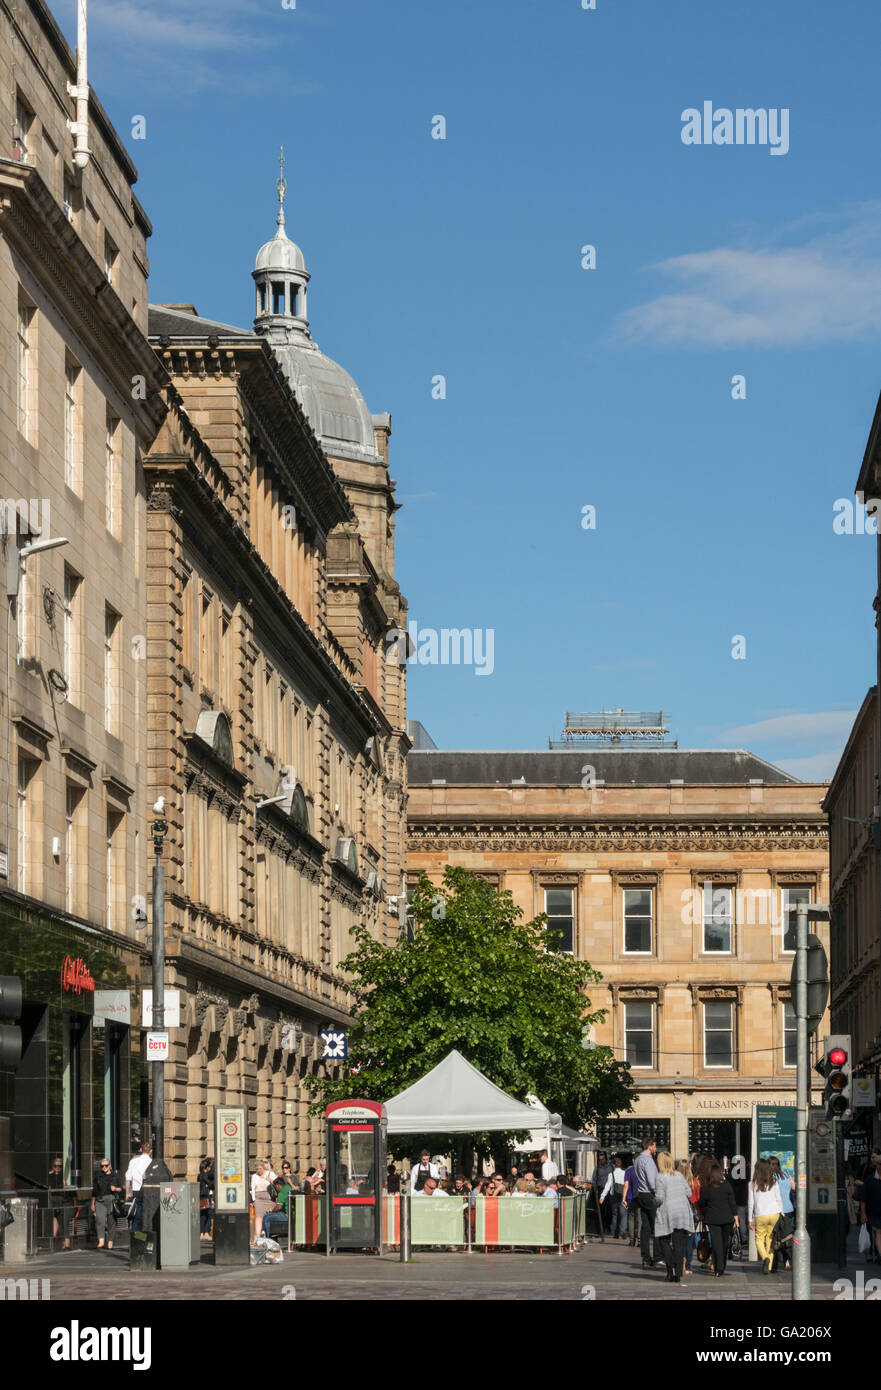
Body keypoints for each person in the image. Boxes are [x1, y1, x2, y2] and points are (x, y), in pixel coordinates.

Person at [654, 1151, 694, 1283]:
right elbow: (688, 1192)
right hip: (682, 1211)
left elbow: (659, 1198)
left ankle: (670, 1270)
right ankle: (678, 1273)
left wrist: (653, 1201)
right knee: (679, 1243)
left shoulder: (660, 1177)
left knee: (663, 1239)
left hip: (668, 1211)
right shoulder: (679, 1175)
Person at [700, 1159, 739, 1278]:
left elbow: (701, 1203)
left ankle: (718, 1267)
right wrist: (736, 1219)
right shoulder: (727, 1186)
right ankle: (722, 1266)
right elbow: (732, 1203)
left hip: (713, 1219)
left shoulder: (707, 1188)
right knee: (724, 1243)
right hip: (727, 1219)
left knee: (717, 1244)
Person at [748, 1157, 784, 1274]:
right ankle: (768, 1268)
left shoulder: (752, 1184)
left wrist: (750, 1218)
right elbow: (778, 1199)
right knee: (770, 1239)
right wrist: (782, 1214)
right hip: (774, 1214)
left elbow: (751, 1202)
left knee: (759, 1239)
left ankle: (765, 1258)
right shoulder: (774, 1181)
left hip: (760, 1214)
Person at [634, 1136, 659, 1268]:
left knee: (645, 1227)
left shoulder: (637, 1159)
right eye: (654, 1146)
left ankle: (645, 1256)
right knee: (657, 1226)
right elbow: (652, 1181)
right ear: (650, 1146)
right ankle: (657, 1256)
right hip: (649, 1194)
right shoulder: (648, 1161)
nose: (655, 1148)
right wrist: (657, 1191)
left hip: (641, 1194)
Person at [768, 1156, 794, 1270]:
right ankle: (787, 1259)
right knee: (787, 1234)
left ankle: (775, 1261)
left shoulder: (770, 1177)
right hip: (789, 1209)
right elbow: (794, 1187)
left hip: (777, 1210)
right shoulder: (786, 1175)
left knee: (776, 1237)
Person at [92, 1157, 123, 1250]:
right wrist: (92, 1203)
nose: (104, 1168)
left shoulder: (115, 1175)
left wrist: (115, 1189)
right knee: (99, 1220)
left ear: (109, 1166)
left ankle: (110, 1242)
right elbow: (94, 1191)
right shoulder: (97, 1175)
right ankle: (101, 1241)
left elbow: (121, 1189)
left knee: (111, 1222)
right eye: (102, 1166)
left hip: (111, 1200)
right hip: (100, 1200)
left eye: (106, 1166)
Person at [677, 1159, 700, 1275]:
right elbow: (697, 1199)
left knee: (678, 1238)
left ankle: (679, 1261)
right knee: (689, 1240)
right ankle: (688, 1266)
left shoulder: (675, 1182)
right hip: (691, 1213)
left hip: (678, 1212)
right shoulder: (695, 1182)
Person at [125, 1143, 152, 1234]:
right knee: (147, 1216)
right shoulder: (152, 1162)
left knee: (137, 1215)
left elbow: (128, 1178)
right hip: (148, 1191)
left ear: (141, 1150)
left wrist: (127, 1193)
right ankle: (144, 1239)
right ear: (151, 1151)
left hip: (136, 1190)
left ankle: (136, 1237)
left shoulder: (133, 1161)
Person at [860, 1152, 881, 1263]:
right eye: (880, 1164)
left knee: (878, 1233)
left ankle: (878, 1254)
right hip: (874, 1211)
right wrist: (863, 1213)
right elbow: (863, 1198)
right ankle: (877, 1254)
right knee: (877, 1232)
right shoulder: (870, 1179)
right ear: (877, 1165)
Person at [601, 1154, 628, 1239]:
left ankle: (615, 1233)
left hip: (614, 1196)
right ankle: (623, 1230)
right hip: (623, 1195)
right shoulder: (625, 1173)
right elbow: (627, 1185)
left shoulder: (611, 1174)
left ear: (613, 1165)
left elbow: (607, 1186)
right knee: (623, 1214)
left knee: (615, 1214)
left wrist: (602, 1197)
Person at [250, 1159, 277, 1242]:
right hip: (258, 1199)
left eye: (260, 1169)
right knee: (258, 1217)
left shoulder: (270, 1174)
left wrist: (271, 1181)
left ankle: (268, 1235)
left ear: (263, 1168)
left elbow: (278, 1184)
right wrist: (254, 1200)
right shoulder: (254, 1176)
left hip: (269, 1199)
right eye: (257, 1169)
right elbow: (253, 1188)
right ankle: (257, 1236)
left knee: (268, 1216)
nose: (258, 1171)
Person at [621, 1152, 639, 1247]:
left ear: (633, 1160)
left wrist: (623, 1198)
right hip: (640, 1197)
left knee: (631, 1219)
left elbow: (626, 1185)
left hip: (631, 1198)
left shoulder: (629, 1171)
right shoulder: (643, 1170)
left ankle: (632, 1240)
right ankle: (640, 1240)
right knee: (640, 1219)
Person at [593, 1152, 612, 1233]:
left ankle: (608, 1226)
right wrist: (595, 1189)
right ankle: (602, 1227)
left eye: (602, 1159)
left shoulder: (610, 1167)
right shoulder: (597, 1169)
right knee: (601, 1210)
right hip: (601, 1190)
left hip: (610, 1191)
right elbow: (594, 1179)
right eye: (600, 1160)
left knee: (609, 1210)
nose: (601, 1161)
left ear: (606, 1159)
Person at [198, 1158, 215, 1241]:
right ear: (207, 1167)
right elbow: (210, 1184)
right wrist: (210, 1185)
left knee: (202, 1215)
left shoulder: (199, 1175)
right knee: (209, 1214)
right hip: (206, 1196)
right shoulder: (205, 1175)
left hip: (201, 1197)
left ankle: (201, 1233)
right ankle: (206, 1232)